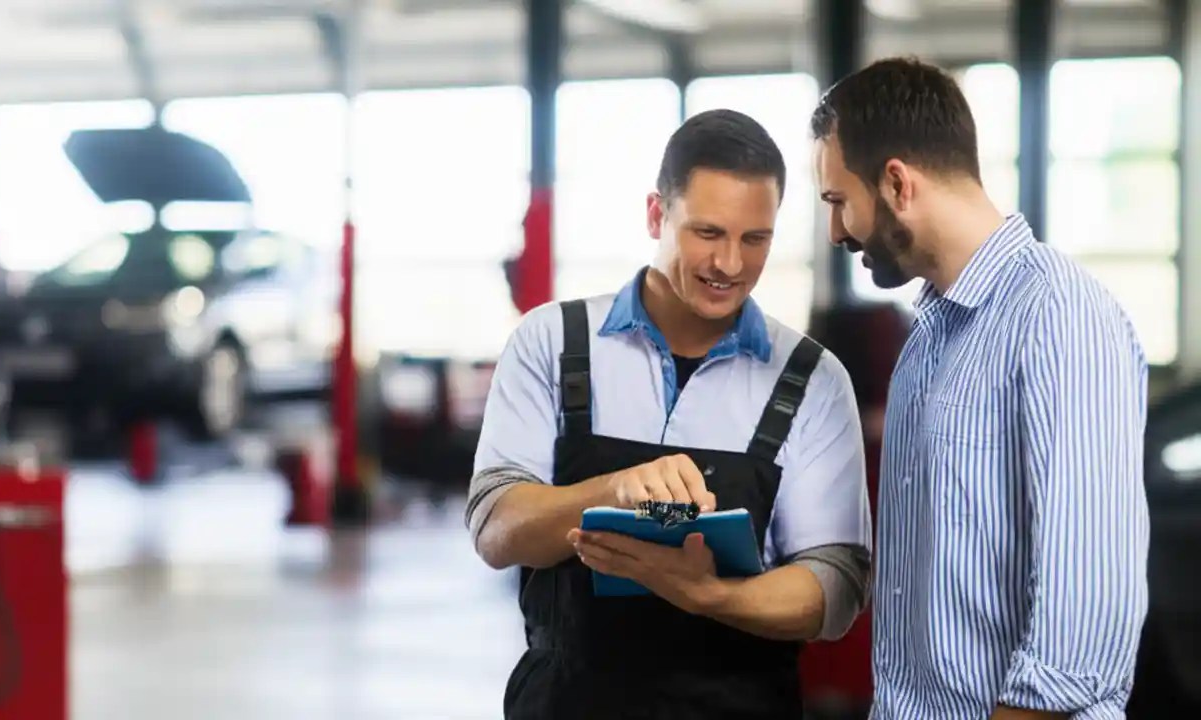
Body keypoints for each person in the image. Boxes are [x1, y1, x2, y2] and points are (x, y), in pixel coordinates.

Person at [464, 108, 873, 719]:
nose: (729, 265)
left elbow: (836, 587)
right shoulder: (552, 343)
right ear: (657, 213)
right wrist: (612, 491)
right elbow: (495, 529)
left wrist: (709, 596)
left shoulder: (812, 381)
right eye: (707, 233)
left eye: (754, 239)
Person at [810, 57, 1150, 719]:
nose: (834, 231)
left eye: (838, 202)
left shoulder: (1059, 316)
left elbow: (1081, 624)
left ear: (897, 183)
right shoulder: (927, 342)